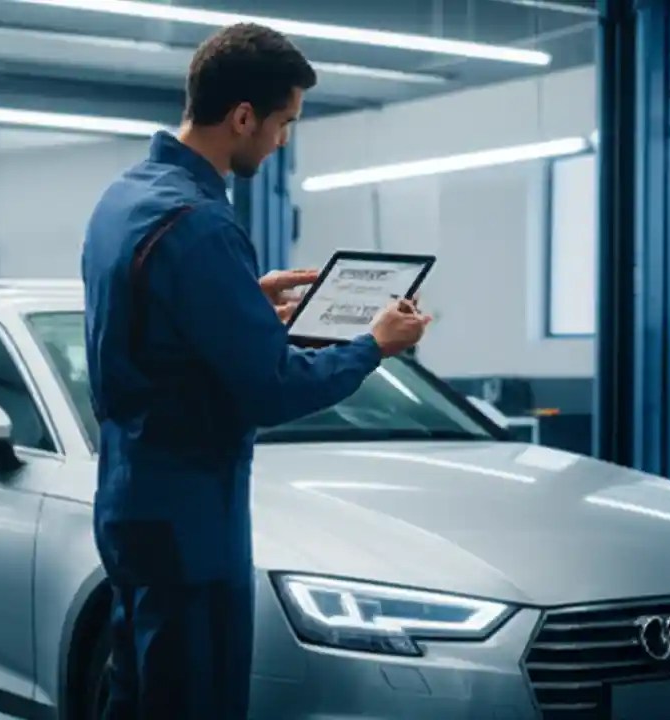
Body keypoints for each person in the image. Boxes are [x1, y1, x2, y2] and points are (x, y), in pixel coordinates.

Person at [80, 22, 431, 720]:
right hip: (193, 519)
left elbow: (153, 325)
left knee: (137, 697)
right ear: (244, 116)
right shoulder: (202, 225)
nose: (282, 141)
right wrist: (373, 345)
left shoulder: (122, 199)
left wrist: (238, 299)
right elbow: (272, 389)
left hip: (129, 504)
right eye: (284, 122)